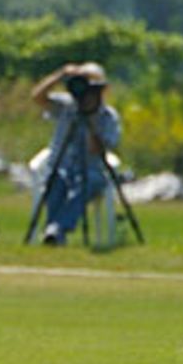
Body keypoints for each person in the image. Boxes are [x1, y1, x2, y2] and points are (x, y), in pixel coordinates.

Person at [29, 61, 121, 245]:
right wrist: (61, 74)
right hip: (59, 166)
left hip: (90, 170)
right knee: (56, 180)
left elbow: (97, 150)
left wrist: (91, 118)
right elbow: (37, 97)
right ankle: (55, 233)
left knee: (88, 183)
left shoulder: (108, 116)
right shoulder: (65, 106)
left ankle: (56, 228)